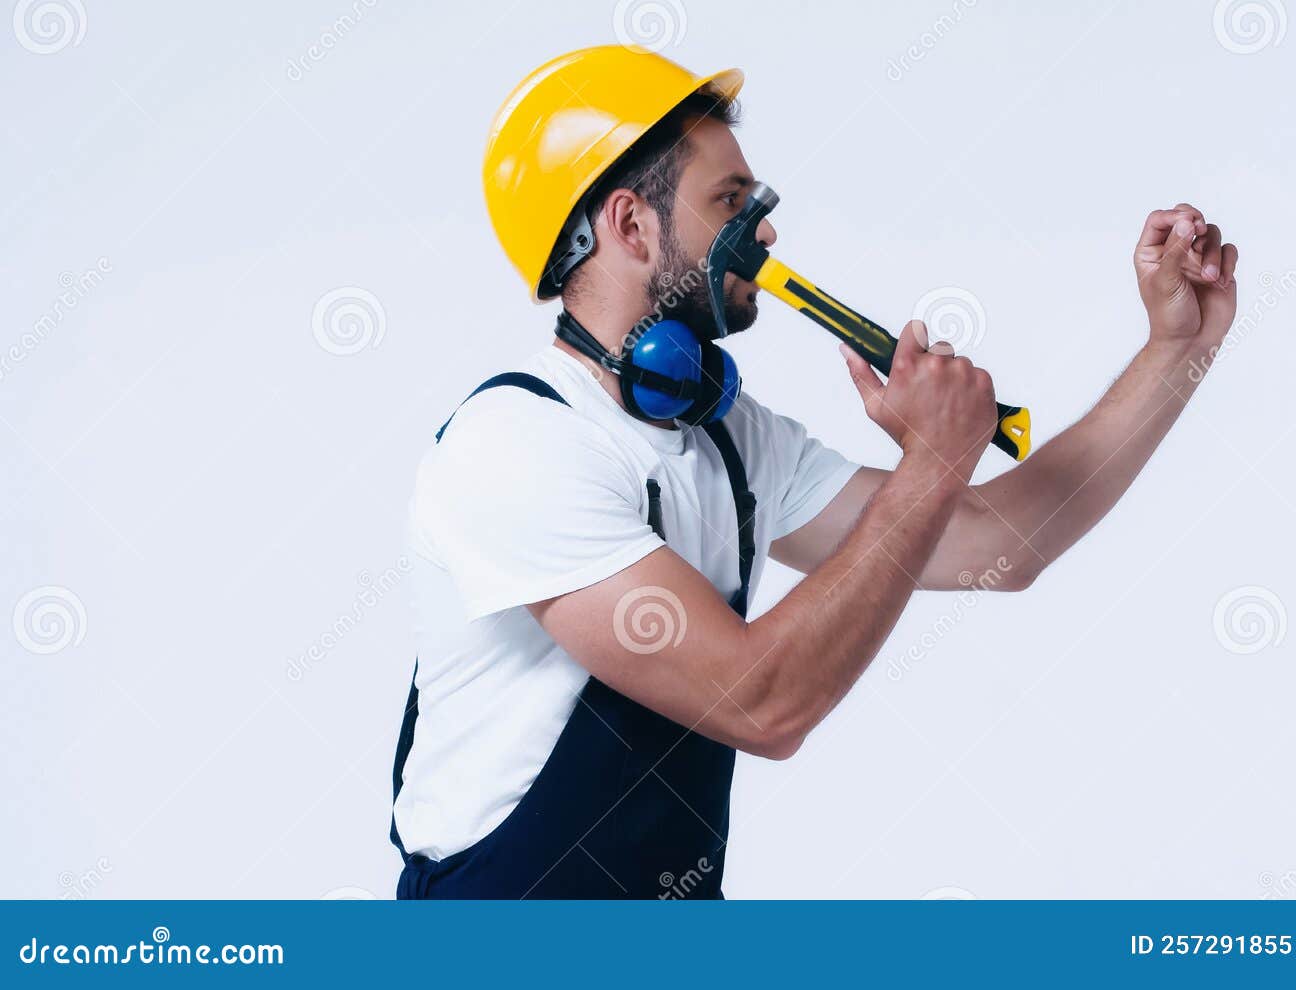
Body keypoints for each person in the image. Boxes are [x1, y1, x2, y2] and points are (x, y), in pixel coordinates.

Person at [390, 45, 1239, 899]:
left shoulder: (726, 434)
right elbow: (761, 701)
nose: (763, 232)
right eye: (730, 202)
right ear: (629, 226)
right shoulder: (518, 445)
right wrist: (932, 462)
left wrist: (1180, 347)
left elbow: (1004, 545)